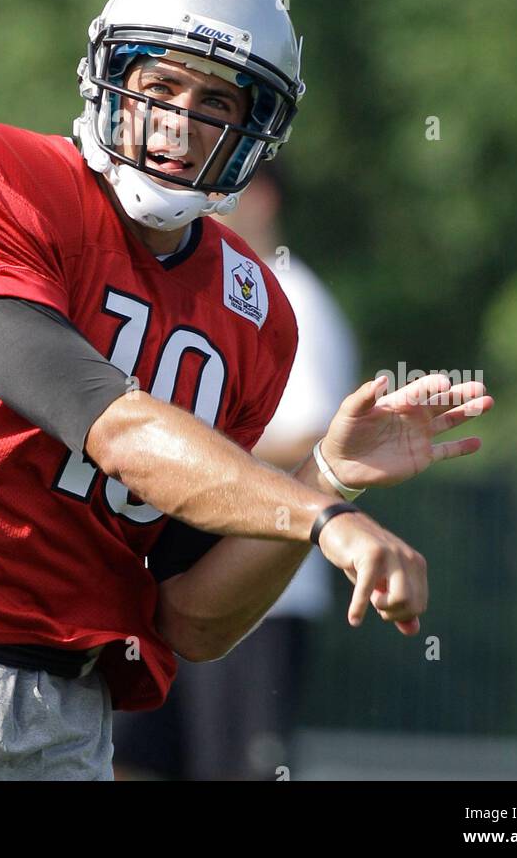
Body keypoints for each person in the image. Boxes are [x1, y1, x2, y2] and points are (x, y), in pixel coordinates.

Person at [0, 0, 491, 782]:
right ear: (106, 77)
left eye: (215, 104)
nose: (178, 123)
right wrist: (320, 521)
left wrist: (328, 475)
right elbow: (110, 422)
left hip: (58, 723)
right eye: (161, 87)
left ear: (255, 132)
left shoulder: (254, 311)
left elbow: (194, 621)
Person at [112, 164, 359, 779]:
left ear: (264, 197)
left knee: (235, 771)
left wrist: (179, 454)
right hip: (170, 586)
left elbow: (315, 437)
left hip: (255, 598)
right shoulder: (197, 283)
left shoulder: (290, 294)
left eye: (225, 188)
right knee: (129, 759)